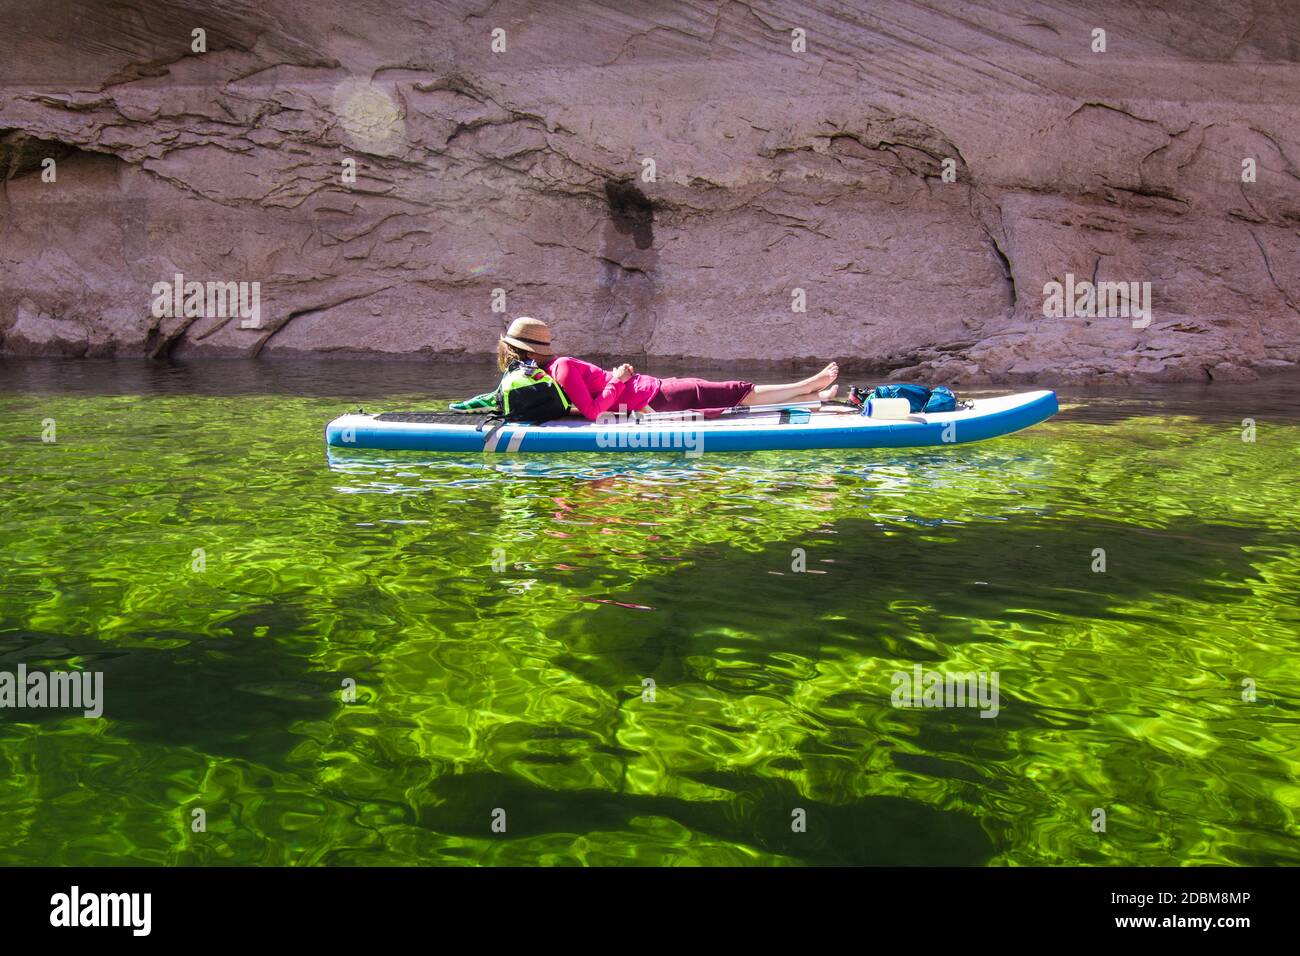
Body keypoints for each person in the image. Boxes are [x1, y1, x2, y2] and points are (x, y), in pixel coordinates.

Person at [494, 317, 838, 420]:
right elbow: (594, 413)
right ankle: (809, 386)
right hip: (654, 396)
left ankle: (812, 394)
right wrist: (617, 379)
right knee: (733, 391)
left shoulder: (544, 374)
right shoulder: (563, 367)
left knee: (728, 396)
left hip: (653, 391)